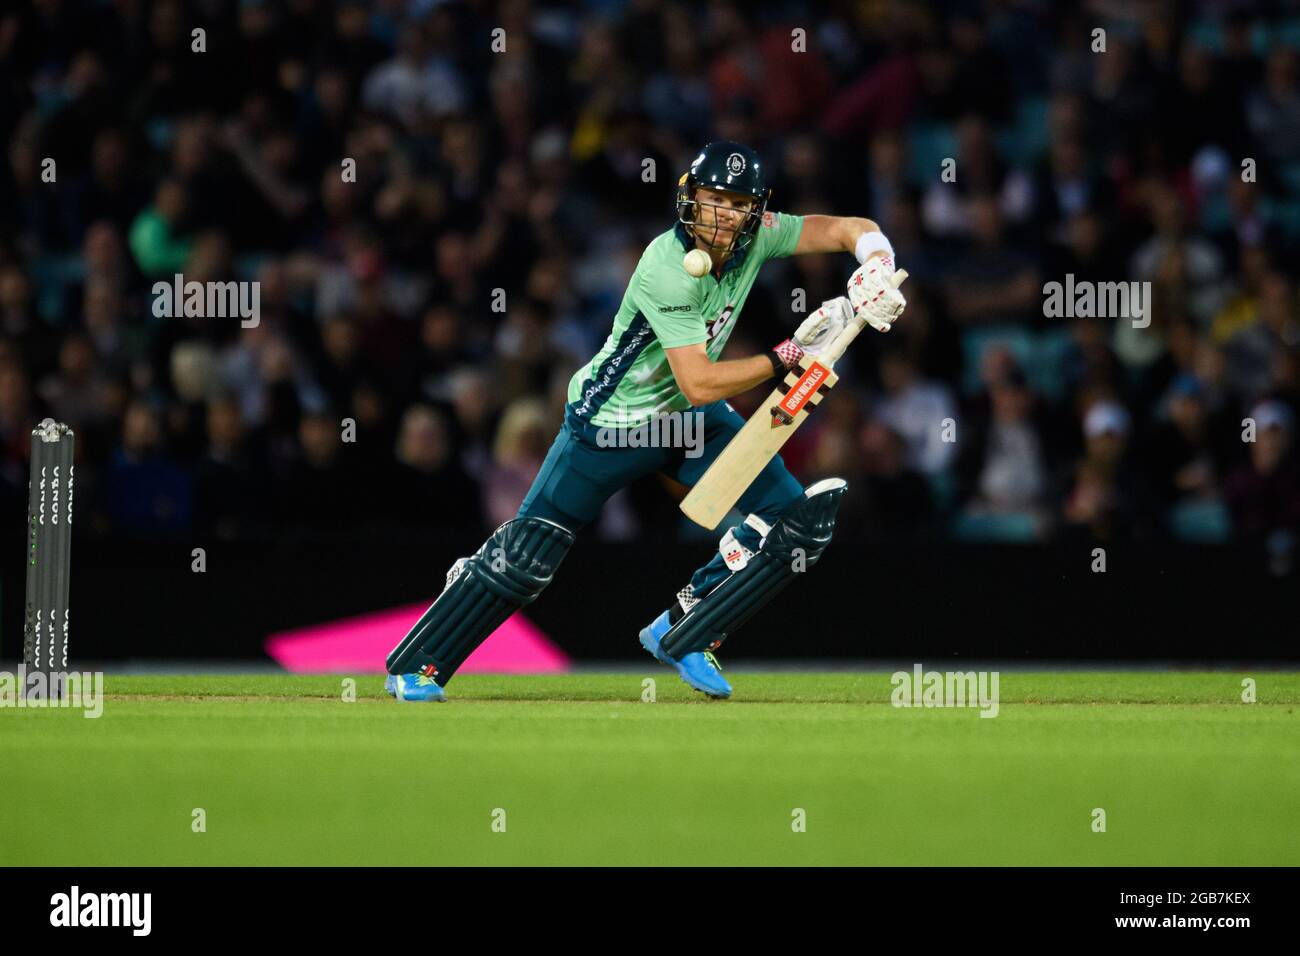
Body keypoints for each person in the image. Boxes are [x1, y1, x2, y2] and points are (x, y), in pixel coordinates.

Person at [384, 141, 907, 701]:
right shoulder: (667, 267)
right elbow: (699, 380)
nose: (721, 215)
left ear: (754, 211)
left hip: (685, 423)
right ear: (690, 198)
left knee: (795, 523)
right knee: (527, 561)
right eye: (711, 201)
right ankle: (418, 662)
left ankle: (686, 628)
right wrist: (787, 356)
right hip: (610, 426)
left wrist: (874, 265)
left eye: (735, 204)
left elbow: (850, 227)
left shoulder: (759, 236)